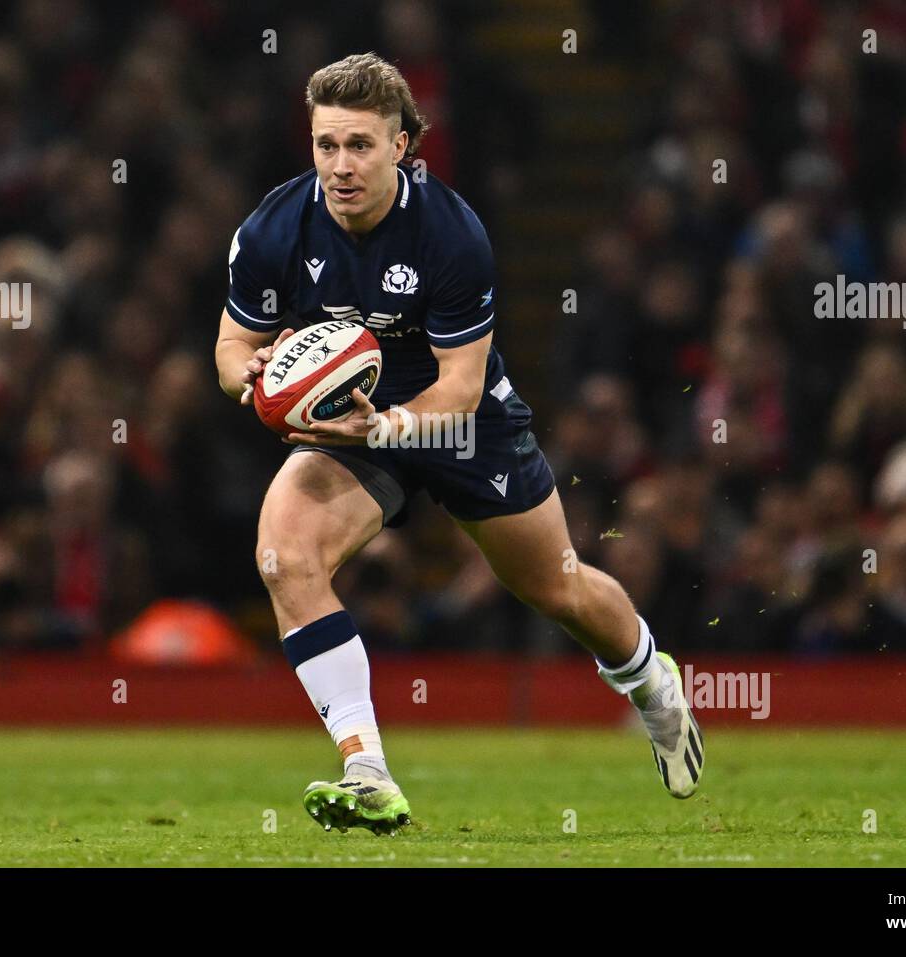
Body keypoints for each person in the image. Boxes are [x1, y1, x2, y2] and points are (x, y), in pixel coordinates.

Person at [214, 53, 704, 835]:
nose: (340, 166)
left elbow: (460, 388)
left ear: (404, 145)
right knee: (284, 553)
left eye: (360, 146)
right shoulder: (274, 225)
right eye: (326, 145)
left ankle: (653, 684)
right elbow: (233, 345)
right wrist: (256, 377)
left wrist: (386, 425)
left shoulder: (451, 233)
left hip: (459, 421)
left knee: (557, 588)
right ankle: (366, 768)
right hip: (350, 423)